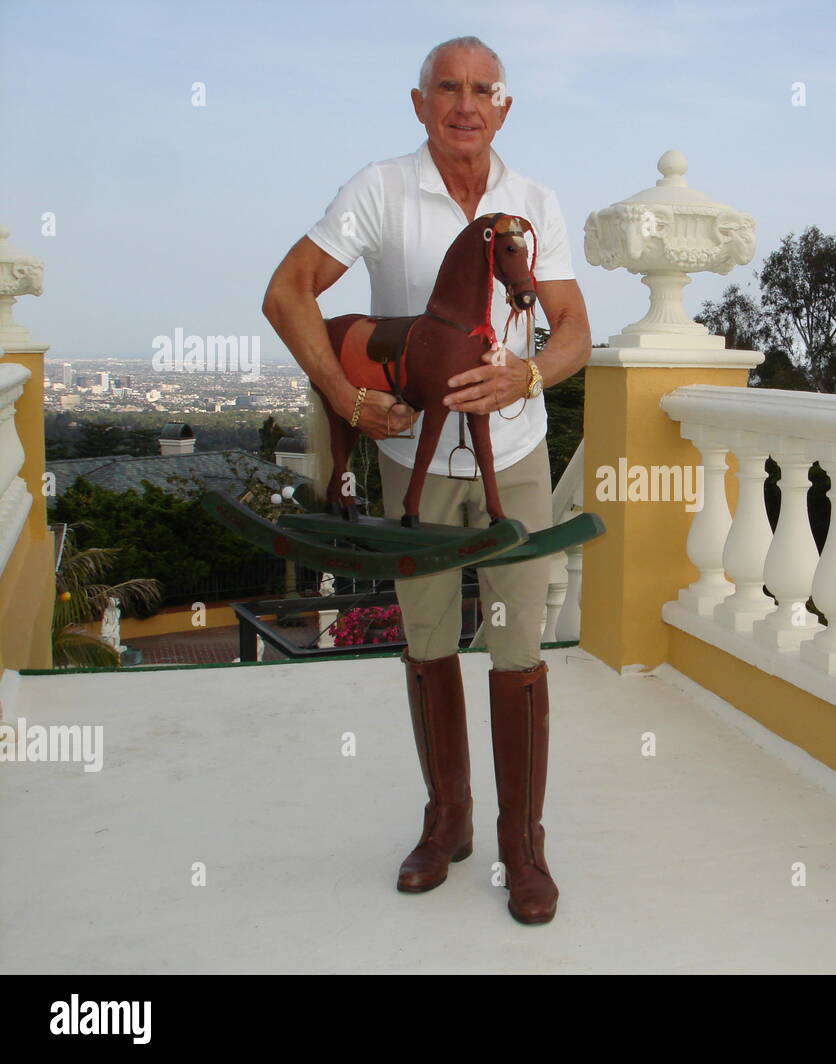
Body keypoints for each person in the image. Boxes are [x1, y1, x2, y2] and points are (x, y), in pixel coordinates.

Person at [262, 35, 592, 925]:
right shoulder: (378, 188)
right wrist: (347, 397)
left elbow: (572, 332)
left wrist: (527, 376)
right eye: (447, 88)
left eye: (483, 90)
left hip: (514, 459)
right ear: (420, 105)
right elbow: (287, 292)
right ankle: (447, 820)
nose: (465, 104)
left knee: (519, 644)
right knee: (428, 638)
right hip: (410, 459)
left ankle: (523, 845)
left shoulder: (534, 204)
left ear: (505, 109)